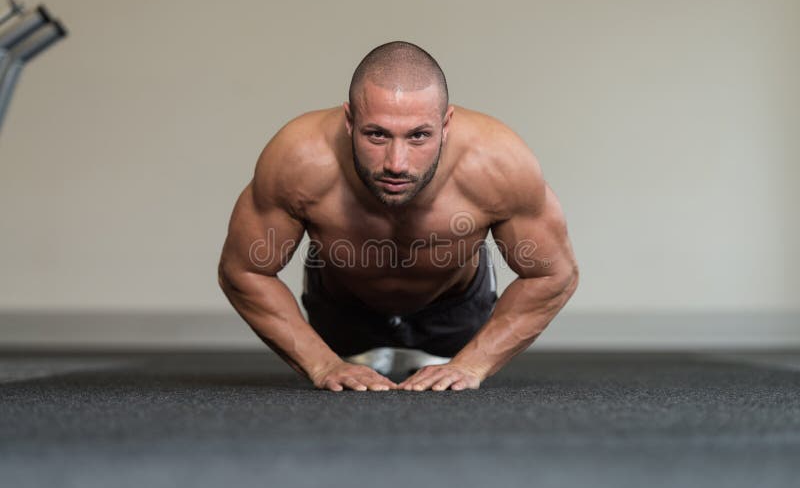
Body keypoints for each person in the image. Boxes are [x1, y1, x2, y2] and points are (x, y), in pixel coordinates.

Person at [218, 41, 579, 392]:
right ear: (349, 120)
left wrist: (472, 364)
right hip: (341, 315)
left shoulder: (498, 162)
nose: (396, 163)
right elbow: (244, 270)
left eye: (419, 136)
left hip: (454, 312)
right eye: (376, 134)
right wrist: (322, 363)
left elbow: (554, 273)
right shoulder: (299, 158)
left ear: (446, 123)